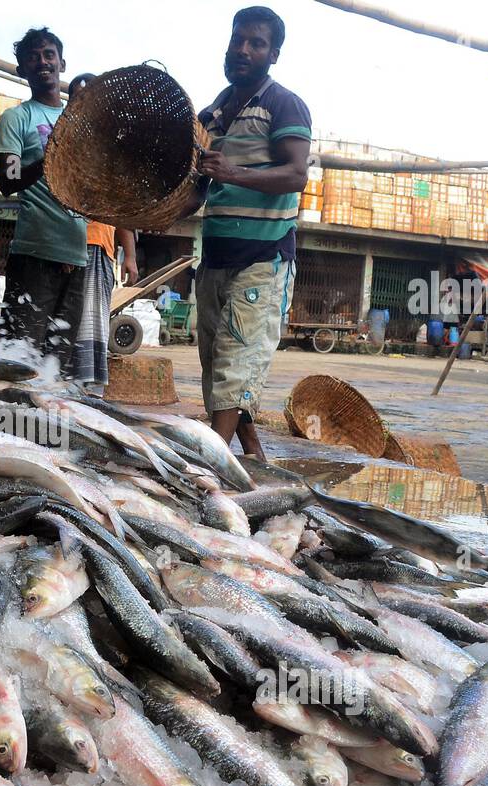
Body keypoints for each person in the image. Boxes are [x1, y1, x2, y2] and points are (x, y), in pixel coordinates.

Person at [184, 6, 310, 462]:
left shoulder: (283, 104)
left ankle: (208, 472)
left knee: (235, 369)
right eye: (238, 39)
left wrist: (233, 172)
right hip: (216, 257)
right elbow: (197, 186)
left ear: (273, 54)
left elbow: (296, 175)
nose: (243, 49)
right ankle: (255, 460)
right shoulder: (211, 115)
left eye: (256, 43)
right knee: (220, 368)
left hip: (262, 259)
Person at [0, 27, 88, 371]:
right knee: (18, 359)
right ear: (22, 69)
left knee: (56, 366)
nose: (42, 62)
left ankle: (42, 425)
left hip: (77, 257)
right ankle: (4, 424)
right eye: (33, 57)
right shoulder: (17, 118)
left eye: (49, 54)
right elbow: (8, 181)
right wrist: (50, 158)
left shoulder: (79, 120)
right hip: (34, 256)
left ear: (62, 62)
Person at [66, 73, 138, 394]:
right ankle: (63, 389)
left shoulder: (113, 152)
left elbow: (122, 209)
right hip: (62, 244)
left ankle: (89, 391)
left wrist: (130, 256)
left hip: (97, 248)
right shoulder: (62, 145)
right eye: (77, 97)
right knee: (67, 320)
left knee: (91, 320)